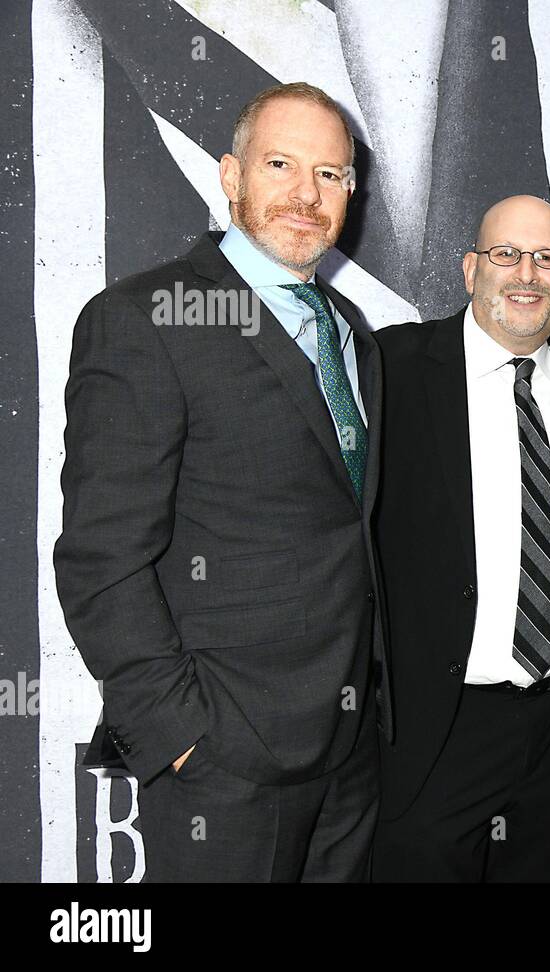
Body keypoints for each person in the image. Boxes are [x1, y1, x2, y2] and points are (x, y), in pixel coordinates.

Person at [54, 82, 386, 881]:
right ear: (231, 177)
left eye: (332, 175)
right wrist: (179, 738)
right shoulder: (145, 318)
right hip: (224, 762)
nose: (307, 195)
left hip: (354, 747)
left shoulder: (349, 333)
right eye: (281, 164)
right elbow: (101, 558)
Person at [369, 195, 550, 882]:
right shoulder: (391, 369)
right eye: (505, 254)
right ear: (471, 269)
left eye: (547, 258)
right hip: (436, 728)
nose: (525, 273)